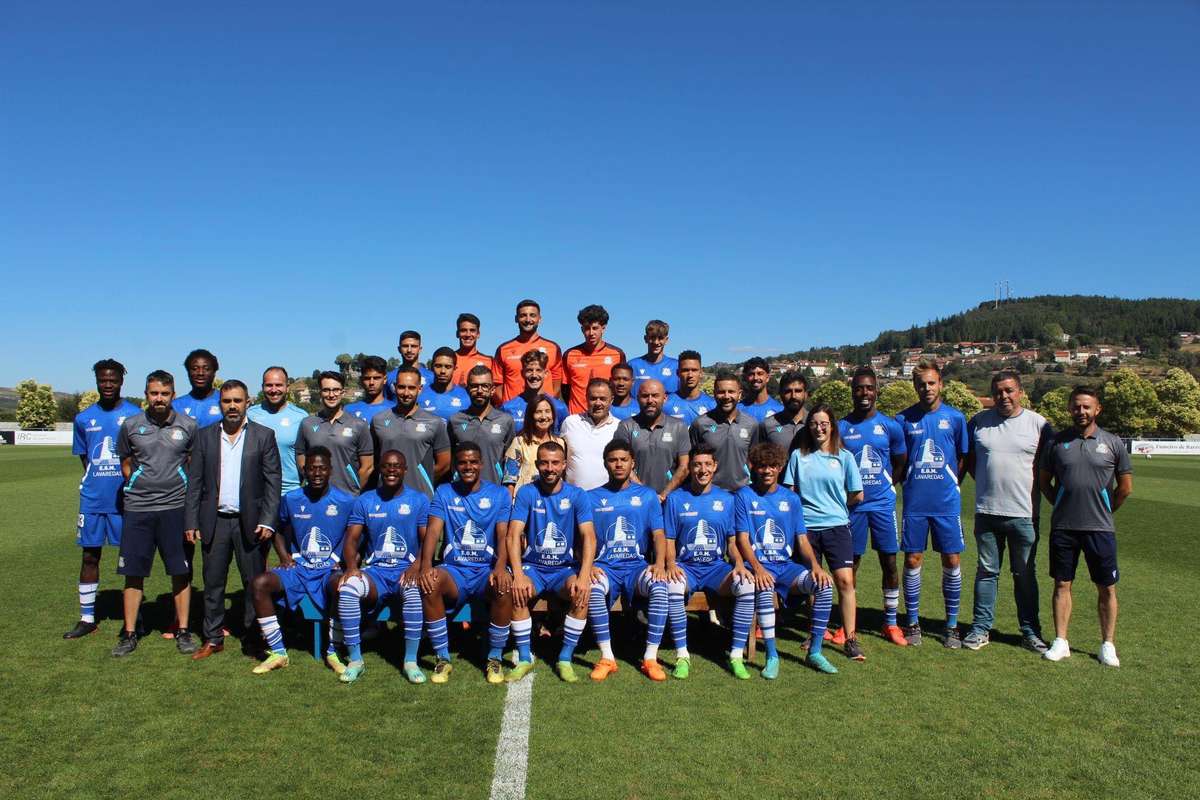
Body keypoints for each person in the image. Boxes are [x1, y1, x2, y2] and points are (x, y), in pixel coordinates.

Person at [184, 380, 282, 659]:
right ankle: (213, 637)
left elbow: (272, 482)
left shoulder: (264, 435)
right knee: (213, 583)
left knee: (253, 583)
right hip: (214, 521)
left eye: (237, 401)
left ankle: (252, 638)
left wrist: (267, 520)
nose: (232, 406)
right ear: (220, 404)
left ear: (247, 402)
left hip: (250, 523)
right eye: (227, 401)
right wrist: (191, 521)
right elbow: (195, 482)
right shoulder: (204, 436)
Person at [1038, 386, 1132, 667]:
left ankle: (1107, 644)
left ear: (1097, 409)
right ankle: (1061, 641)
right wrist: (1062, 503)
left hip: (1100, 529)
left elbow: (1125, 488)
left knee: (1106, 587)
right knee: (1062, 583)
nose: (1081, 411)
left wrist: (1104, 510)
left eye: (1087, 407)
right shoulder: (1056, 443)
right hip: (1064, 528)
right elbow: (1044, 482)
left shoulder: (1113, 443)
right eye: (1077, 406)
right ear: (1070, 409)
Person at [111, 370, 200, 657]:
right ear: (146, 394)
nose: (158, 398)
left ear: (173, 395)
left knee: (180, 571)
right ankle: (129, 633)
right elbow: (125, 459)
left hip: (176, 507)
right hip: (138, 509)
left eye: (164, 393)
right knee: (133, 573)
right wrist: (135, 482)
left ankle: (183, 630)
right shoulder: (131, 425)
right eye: (153, 393)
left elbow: (192, 463)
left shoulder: (188, 425)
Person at [963, 370, 1053, 653]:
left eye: (1009, 390)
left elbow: (1045, 468)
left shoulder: (1039, 425)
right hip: (987, 512)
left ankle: (1030, 632)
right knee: (987, 572)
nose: (1004, 396)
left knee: (1024, 575)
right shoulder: (978, 422)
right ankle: (980, 629)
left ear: (1021, 391)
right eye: (998, 391)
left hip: (1024, 514)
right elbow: (974, 463)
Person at [247, 448, 355, 674]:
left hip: (328, 570)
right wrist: (285, 557)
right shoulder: (292, 498)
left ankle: (333, 650)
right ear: (304, 471)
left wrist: (345, 562)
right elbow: (276, 528)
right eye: (312, 469)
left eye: (322, 468)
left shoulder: (345, 501)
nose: (317, 473)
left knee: (342, 586)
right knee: (259, 584)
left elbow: (357, 536)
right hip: (299, 569)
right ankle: (278, 652)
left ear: (330, 471)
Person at [736, 442, 837, 676]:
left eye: (772, 466)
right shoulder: (744, 495)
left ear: (780, 467)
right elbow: (742, 539)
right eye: (762, 466)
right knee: (763, 584)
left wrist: (815, 567)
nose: (767, 471)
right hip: (759, 567)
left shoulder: (791, 499)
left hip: (786, 567)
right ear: (753, 467)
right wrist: (758, 568)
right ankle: (772, 655)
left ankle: (815, 651)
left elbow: (802, 540)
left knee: (823, 586)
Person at [418, 443, 514, 684]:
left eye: (473, 462)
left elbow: (504, 536)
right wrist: (426, 565)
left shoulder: (499, 494)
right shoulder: (444, 492)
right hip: (455, 571)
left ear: (481, 464)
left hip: (485, 571)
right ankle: (442, 658)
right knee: (431, 582)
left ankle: (494, 658)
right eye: (462, 462)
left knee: (504, 585)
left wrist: (500, 567)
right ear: (455, 466)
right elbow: (432, 532)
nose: (468, 467)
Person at [335, 450, 430, 684]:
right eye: (387, 466)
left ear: (405, 470)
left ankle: (410, 661)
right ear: (380, 468)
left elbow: (428, 541)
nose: (391, 470)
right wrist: (350, 567)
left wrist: (417, 566)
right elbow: (351, 540)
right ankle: (355, 660)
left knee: (413, 592)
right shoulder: (365, 500)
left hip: (405, 571)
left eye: (397, 466)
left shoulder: (418, 500)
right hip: (376, 572)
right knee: (348, 589)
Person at [506, 441, 598, 682]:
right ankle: (525, 657)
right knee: (516, 592)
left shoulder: (577, 495)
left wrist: (584, 575)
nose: (549, 468)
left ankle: (565, 658)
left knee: (581, 592)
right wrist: (517, 574)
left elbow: (589, 536)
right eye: (544, 462)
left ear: (564, 465)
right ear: (537, 465)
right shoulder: (526, 492)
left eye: (555, 462)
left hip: (564, 569)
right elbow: (513, 534)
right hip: (533, 567)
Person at [662, 444, 756, 679]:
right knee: (672, 585)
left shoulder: (727, 499)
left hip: (716, 568)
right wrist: (671, 565)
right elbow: (669, 540)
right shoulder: (675, 498)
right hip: (686, 568)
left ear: (715, 467)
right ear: (689, 468)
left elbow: (732, 542)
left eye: (707, 465)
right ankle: (682, 655)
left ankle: (735, 655)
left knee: (746, 585)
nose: (702, 470)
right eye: (697, 464)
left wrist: (738, 564)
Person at [895, 360, 970, 648]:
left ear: (940, 384)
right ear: (914, 386)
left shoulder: (955, 418)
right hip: (915, 503)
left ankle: (951, 626)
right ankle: (912, 621)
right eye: (921, 384)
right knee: (913, 560)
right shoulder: (903, 420)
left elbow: (963, 457)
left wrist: (952, 481)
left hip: (946, 503)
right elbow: (898, 459)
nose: (926, 388)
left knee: (951, 560)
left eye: (931, 383)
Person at [64, 359, 141, 639]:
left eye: (113, 379)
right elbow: (86, 460)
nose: (108, 384)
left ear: (122, 380)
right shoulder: (84, 418)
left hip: (127, 500)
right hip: (93, 500)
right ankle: (87, 618)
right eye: (103, 380)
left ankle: (134, 618)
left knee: (130, 559)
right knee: (89, 556)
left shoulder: (135, 415)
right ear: (97, 380)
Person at [783, 405, 865, 662]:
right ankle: (815, 634)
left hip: (837, 527)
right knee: (815, 584)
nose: (819, 428)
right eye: (814, 423)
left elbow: (857, 494)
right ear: (808, 427)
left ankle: (850, 638)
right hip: (806, 529)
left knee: (844, 582)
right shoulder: (798, 456)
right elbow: (790, 492)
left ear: (832, 426)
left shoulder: (844, 457)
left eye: (824, 423)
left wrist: (836, 509)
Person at [586, 440, 673, 681]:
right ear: (605, 464)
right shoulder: (591, 497)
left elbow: (658, 534)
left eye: (624, 459)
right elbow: (584, 537)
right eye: (613, 460)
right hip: (604, 567)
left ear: (633, 462)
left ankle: (650, 658)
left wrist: (659, 564)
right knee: (592, 589)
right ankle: (607, 657)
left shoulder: (647, 495)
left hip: (637, 567)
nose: (618, 464)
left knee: (659, 586)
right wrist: (589, 564)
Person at [838, 367, 909, 646]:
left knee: (889, 562)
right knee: (850, 564)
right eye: (859, 388)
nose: (864, 393)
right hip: (853, 507)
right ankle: (847, 626)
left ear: (876, 390)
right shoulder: (842, 427)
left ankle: (890, 623)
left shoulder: (890, 426)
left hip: (882, 504)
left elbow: (900, 460)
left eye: (869, 388)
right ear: (852, 391)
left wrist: (891, 485)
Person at [371, 366, 452, 498]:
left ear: (420, 389)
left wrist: (421, 479)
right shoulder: (378, 420)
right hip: (385, 499)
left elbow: (444, 464)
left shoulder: (435, 422)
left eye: (412, 388)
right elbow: (373, 462)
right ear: (395, 387)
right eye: (402, 387)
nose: (406, 393)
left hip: (422, 499)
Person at [296, 371, 373, 495]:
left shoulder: (359, 425)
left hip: (347, 497)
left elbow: (368, 467)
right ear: (320, 392)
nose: (331, 395)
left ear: (342, 392)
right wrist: (312, 482)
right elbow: (301, 457)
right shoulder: (307, 424)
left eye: (336, 390)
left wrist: (354, 491)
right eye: (326, 390)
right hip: (316, 498)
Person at [612, 378, 689, 500]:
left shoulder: (679, 426)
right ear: (637, 398)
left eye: (655, 396)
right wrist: (646, 495)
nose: (650, 400)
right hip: (635, 499)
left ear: (664, 398)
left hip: (670, 499)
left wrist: (664, 495)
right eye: (645, 396)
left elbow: (684, 467)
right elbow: (621, 464)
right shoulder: (626, 426)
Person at [689, 370, 759, 492]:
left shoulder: (751, 424)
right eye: (721, 392)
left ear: (740, 394)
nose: (726, 396)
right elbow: (692, 462)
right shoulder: (700, 424)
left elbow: (754, 461)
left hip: (741, 493)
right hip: (709, 494)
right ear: (714, 394)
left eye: (731, 392)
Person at [448, 366, 517, 485]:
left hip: (494, 489)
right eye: (474, 386)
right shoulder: (455, 420)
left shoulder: (505, 420)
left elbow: (511, 460)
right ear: (467, 389)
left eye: (485, 386)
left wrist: (508, 488)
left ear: (492, 389)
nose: (479, 390)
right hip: (462, 492)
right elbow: (449, 458)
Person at [248, 366, 309, 495]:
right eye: (269, 385)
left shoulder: (301, 417)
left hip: (290, 493)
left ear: (287, 387)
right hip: (258, 493)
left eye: (279, 385)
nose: (274, 390)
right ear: (262, 387)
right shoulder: (250, 415)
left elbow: (307, 458)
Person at [493, 299, 563, 403]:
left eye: (532, 315)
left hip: (542, 414)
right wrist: (509, 407)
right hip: (513, 415)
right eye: (523, 315)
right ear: (516, 319)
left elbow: (557, 386)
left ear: (540, 319)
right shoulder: (503, 349)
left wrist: (544, 405)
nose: (528, 319)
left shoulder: (553, 348)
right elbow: (497, 386)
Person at [561, 304, 626, 415]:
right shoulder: (570, 355)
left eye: (595, 328)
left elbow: (621, 388)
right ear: (582, 329)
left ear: (603, 328)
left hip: (606, 419)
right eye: (587, 328)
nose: (591, 333)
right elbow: (564, 390)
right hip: (577, 418)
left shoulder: (617, 354)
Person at [560, 378, 620, 490]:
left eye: (602, 399)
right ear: (586, 399)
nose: (598, 403)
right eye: (593, 398)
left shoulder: (619, 427)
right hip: (574, 497)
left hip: (607, 499)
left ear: (611, 400)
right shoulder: (570, 423)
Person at [502, 395, 566, 497]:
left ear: (553, 416)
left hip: (552, 502)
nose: (543, 416)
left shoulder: (560, 443)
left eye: (547, 411)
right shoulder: (519, 442)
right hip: (525, 502)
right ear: (530, 416)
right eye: (538, 412)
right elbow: (509, 480)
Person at [500, 349, 568, 432]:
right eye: (529, 370)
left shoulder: (559, 408)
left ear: (545, 373)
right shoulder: (508, 408)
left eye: (538, 370)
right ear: (522, 373)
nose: (534, 375)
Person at [759, 371, 809, 454]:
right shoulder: (767, 425)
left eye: (798, 391)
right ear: (781, 394)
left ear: (806, 394)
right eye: (788, 391)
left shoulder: (815, 423)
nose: (793, 396)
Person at [172, 348, 222, 427]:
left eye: (206, 369)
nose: (200, 373)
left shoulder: (225, 401)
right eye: (195, 369)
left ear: (214, 372)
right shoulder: (176, 405)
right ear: (188, 372)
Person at [628, 319, 679, 396]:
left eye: (660, 338)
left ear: (666, 340)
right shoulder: (633, 365)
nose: (656, 342)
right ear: (645, 339)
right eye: (652, 338)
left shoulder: (675, 365)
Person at [419, 347, 470, 421]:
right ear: (432, 367)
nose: (443, 371)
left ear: (454, 368)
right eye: (438, 366)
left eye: (448, 367)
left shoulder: (465, 396)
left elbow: (466, 426)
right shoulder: (420, 394)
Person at [666, 350, 715, 425]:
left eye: (694, 370)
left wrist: (710, 428)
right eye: (685, 370)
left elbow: (715, 431)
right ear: (677, 373)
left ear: (701, 373)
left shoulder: (712, 404)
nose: (690, 375)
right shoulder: (665, 403)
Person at [385, 330, 434, 400]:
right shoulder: (389, 377)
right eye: (405, 346)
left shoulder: (432, 378)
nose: (409, 350)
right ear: (399, 349)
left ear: (420, 349)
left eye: (413, 346)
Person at [451, 312, 495, 387]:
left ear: (478, 334)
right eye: (463, 330)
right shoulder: (448, 360)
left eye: (472, 330)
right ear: (457, 334)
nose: (468, 334)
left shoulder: (489, 361)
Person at [345, 355, 391, 423]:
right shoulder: (349, 410)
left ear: (384, 379)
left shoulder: (395, 409)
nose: (371, 383)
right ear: (361, 380)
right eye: (367, 378)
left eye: (376, 378)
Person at [738, 357, 783, 422]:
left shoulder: (779, 409)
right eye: (751, 374)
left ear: (767, 377)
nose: (756, 378)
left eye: (760, 374)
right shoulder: (737, 409)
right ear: (746, 378)